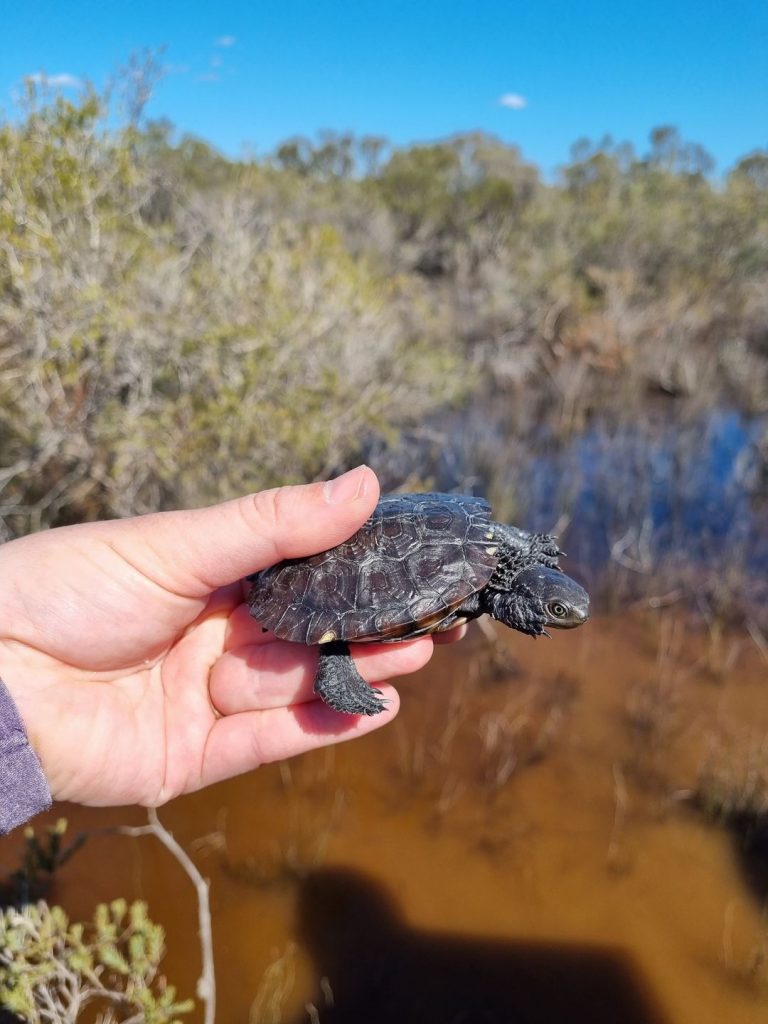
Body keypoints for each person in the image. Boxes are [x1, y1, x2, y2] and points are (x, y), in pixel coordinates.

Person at [0, 467, 462, 833]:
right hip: (321, 595)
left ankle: (334, 661)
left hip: (336, 595)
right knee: (333, 635)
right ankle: (333, 669)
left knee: (342, 630)